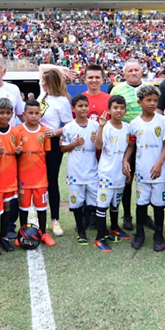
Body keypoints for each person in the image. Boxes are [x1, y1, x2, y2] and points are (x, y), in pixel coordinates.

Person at [124, 84, 165, 250]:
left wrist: (159, 163)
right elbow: (131, 145)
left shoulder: (164, 121)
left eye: (155, 100)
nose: (152, 103)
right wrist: (125, 161)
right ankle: (140, 233)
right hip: (142, 171)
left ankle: (158, 234)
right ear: (139, 102)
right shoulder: (134, 123)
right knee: (141, 204)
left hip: (159, 171)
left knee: (158, 206)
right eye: (148, 100)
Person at [92, 95, 131, 252]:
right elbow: (98, 146)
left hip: (120, 173)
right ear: (109, 110)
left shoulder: (127, 127)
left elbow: (131, 145)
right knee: (103, 205)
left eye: (122, 108)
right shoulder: (105, 127)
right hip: (107, 173)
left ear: (125, 110)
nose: (119, 111)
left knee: (116, 203)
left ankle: (114, 228)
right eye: (115, 107)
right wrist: (101, 127)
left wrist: (126, 161)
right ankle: (100, 237)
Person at [111, 60, 145, 230]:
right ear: (124, 74)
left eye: (136, 70)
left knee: (145, 179)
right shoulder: (117, 90)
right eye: (129, 70)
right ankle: (127, 215)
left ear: (142, 72)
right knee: (127, 179)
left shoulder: (149, 89)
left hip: (146, 143)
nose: (133, 73)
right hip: (126, 142)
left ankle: (144, 215)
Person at [61, 94, 99, 246]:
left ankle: (94, 225)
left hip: (92, 170)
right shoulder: (68, 127)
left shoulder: (95, 125)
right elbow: (63, 148)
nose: (83, 109)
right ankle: (81, 230)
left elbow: (100, 144)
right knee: (76, 203)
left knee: (94, 201)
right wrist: (75, 143)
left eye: (85, 105)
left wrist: (97, 140)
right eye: (80, 106)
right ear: (73, 108)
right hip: (76, 171)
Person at [38, 69, 72, 238]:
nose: (42, 83)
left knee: (51, 181)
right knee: (38, 182)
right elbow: (41, 68)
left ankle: (55, 219)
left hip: (51, 143)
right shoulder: (42, 96)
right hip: (37, 142)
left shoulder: (62, 101)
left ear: (51, 83)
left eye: (45, 81)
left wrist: (55, 132)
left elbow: (69, 124)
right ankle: (41, 217)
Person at [14, 100, 52, 246]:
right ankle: (21, 234)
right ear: (24, 114)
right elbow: (14, 154)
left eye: (37, 113)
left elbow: (46, 155)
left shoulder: (45, 131)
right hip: (23, 179)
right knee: (23, 209)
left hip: (40, 178)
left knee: (41, 208)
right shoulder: (17, 131)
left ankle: (43, 234)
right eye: (30, 113)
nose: (34, 116)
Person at [0, 98, 21, 251]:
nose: (4, 116)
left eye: (8, 113)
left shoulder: (15, 131)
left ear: (12, 114)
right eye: (1, 113)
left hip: (10, 177)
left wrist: (18, 152)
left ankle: (3, 237)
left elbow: (19, 151)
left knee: (7, 208)